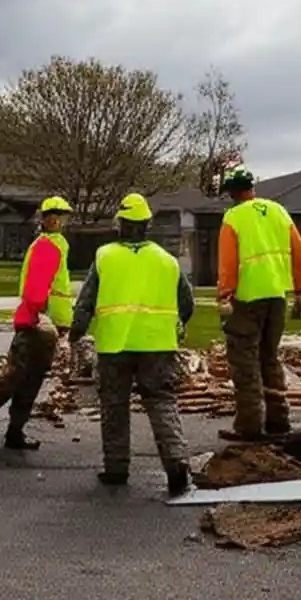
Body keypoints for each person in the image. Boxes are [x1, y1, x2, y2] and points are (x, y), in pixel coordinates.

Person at [68, 193, 196, 495]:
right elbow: (187, 303)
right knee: (162, 402)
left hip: (116, 346)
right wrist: (177, 325)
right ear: (147, 224)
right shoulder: (167, 261)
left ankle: (116, 467)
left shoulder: (105, 256)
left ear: (120, 224)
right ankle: (176, 462)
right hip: (159, 345)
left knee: (114, 405)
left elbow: (85, 303)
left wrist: (76, 334)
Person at [0, 196, 75, 450]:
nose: (63, 221)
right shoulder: (49, 246)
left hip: (42, 324)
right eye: (61, 216)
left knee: (28, 380)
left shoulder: (52, 244)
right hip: (38, 324)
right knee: (17, 378)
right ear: (51, 218)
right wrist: (40, 316)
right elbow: (36, 289)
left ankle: (13, 430)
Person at [215, 165, 301, 440]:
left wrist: (224, 295)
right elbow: (300, 253)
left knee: (244, 362)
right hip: (276, 297)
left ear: (232, 192)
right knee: (269, 358)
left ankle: (249, 425)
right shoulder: (278, 211)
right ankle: (278, 420)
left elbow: (228, 263)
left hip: (246, 299)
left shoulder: (233, 218)